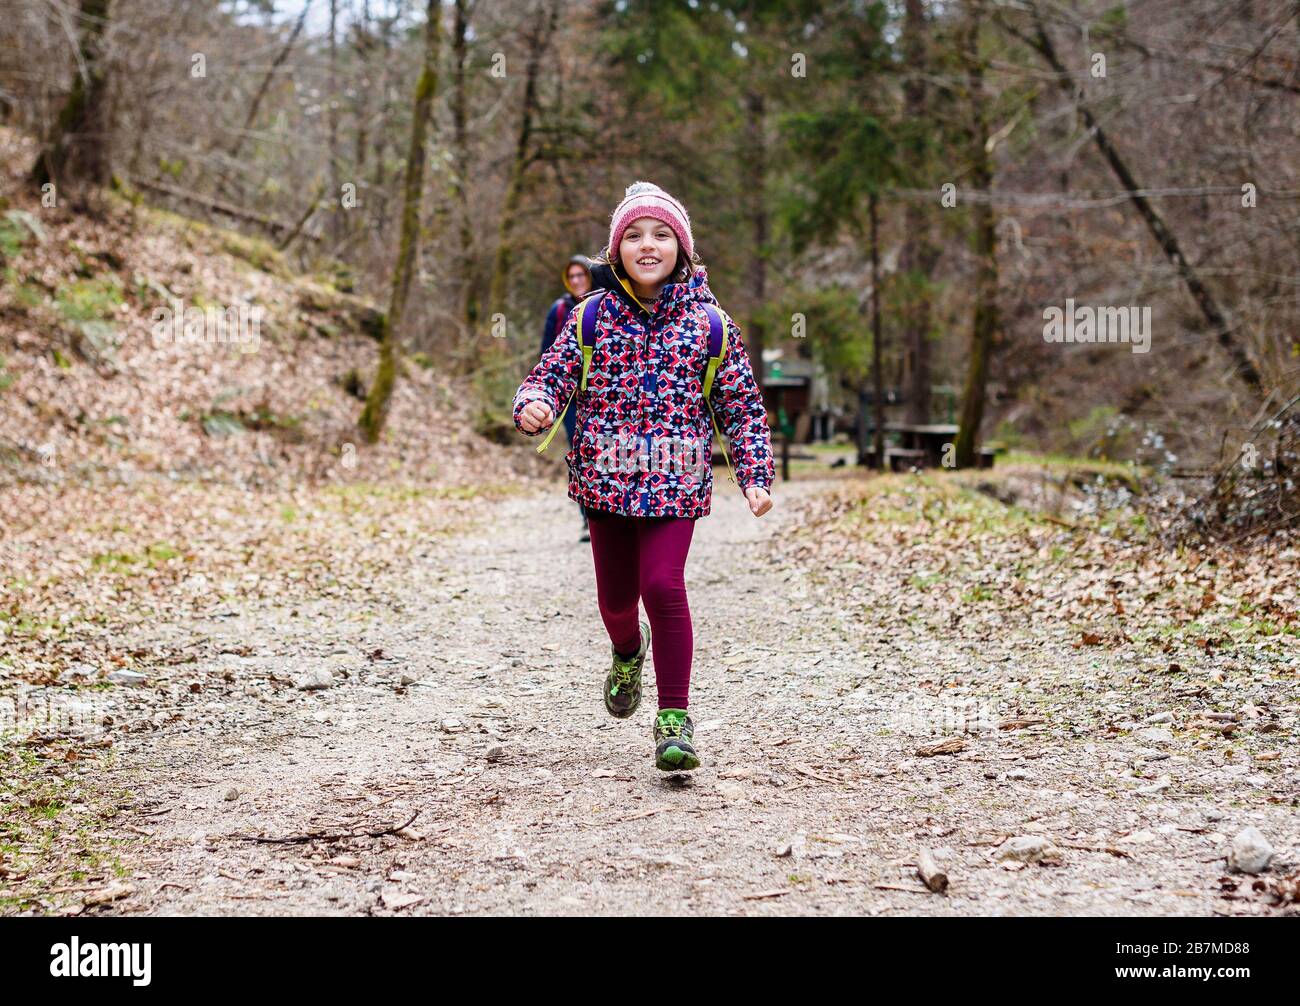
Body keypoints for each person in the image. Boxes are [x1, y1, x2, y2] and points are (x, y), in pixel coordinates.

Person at [513, 181, 774, 772]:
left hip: (676, 483)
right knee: (615, 603)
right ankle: (628, 651)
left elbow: (741, 404)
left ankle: (675, 719)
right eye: (633, 236)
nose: (647, 244)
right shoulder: (591, 317)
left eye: (660, 235)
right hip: (605, 481)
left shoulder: (711, 326)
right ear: (616, 250)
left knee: (663, 587)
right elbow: (549, 376)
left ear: (682, 247)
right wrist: (534, 405)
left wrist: (755, 474)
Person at [540, 254, 594, 541]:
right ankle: (587, 517)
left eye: (581, 275)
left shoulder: (604, 306)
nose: (576, 281)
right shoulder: (559, 310)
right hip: (571, 400)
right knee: (580, 451)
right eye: (571, 276)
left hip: (602, 398)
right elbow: (546, 356)